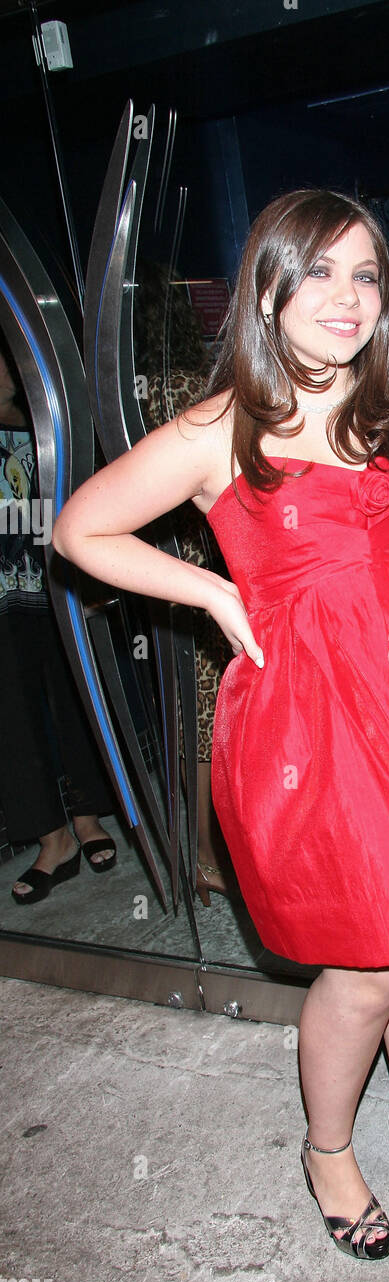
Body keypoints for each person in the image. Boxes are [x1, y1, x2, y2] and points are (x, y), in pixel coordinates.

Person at [53, 189, 389, 1260]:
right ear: (267, 290)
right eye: (317, 272)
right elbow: (81, 526)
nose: (345, 295)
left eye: (365, 274)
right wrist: (215, 597)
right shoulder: (221, 422)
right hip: (313, 721)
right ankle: (328, 1147)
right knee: (370, 958)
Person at [133, 260, 236, 905]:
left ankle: (195, 851)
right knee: (207, 720)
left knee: (189, 721)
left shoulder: (130, 392)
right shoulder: (200, 390)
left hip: (154, 566)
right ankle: (206, 855)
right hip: (209, 564)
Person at [0, 338, 117, 902]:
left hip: (54, 577)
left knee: (73, 696)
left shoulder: (50, 411)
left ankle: (90, 817)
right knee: (12, 716)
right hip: (2, 589)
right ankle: (53, 838)